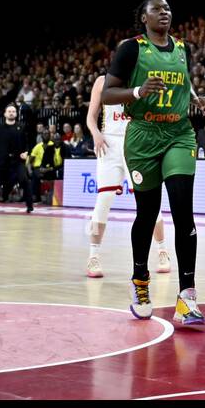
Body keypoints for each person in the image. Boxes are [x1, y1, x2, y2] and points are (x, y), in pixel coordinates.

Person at [101, 0, 205, 325]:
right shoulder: (131, 49)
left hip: (179, 134)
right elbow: (108, 94)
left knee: (183, 212)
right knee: (147, 215)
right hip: (143, 136)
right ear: (144, 18)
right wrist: (138, 92)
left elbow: (184, 82)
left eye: (167, 8)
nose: (164, 12)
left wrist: (197, 99)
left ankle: (187, 296)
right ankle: (140, 282)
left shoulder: (182, 48)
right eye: (156, 9)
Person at [84, 72, 170, 279]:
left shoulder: (143, 79)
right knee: (103, 199)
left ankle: (162, 251)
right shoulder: (102, 81)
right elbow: (91, 117)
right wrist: (95, 133)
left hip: (137, 143)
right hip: (109, 145)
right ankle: (93, 255)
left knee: (147, 202)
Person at [0, 105, 32, 213]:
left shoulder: (21, 127)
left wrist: (26, 152)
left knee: (24, 180)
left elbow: (27, 144)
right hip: (2, 161)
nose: (11, 113)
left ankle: (29, 205)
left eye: (13, 111)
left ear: (16, 114)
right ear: (5, 114)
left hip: (17, 161)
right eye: (9, 111)